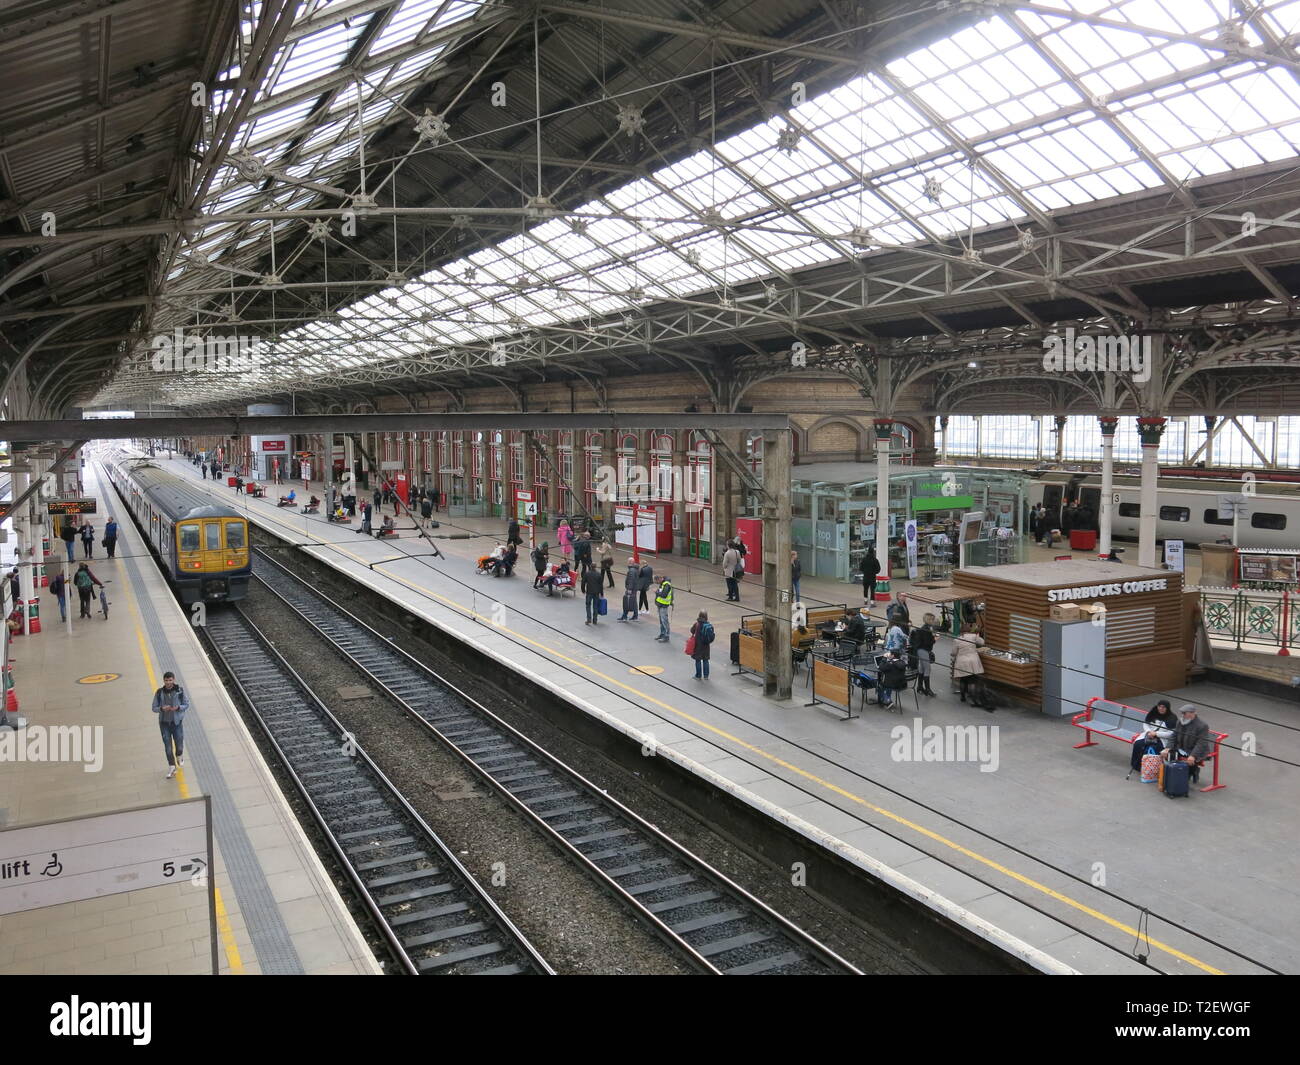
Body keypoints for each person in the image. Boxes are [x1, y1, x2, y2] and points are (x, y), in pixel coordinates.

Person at [152, 671, 190, 780]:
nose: (168, 682)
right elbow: (154, 707)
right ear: (164, 681)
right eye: (166, 680)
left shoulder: (180, 691)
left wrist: (178, 708)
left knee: (179, 745)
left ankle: (179, 755)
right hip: (164, 724)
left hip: (176, 723)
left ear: (173, 680)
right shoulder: (159, 693)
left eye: (170, 680)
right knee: (168, 747)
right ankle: (172, 767)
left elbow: (186, 704)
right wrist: (161, 709)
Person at [1164, 705, 1213, 782]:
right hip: (1181, 747)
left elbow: (1201, 743)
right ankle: (1174, 775)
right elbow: (1174, 735)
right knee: (1168, 755)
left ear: (1192, 713)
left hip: (1195, 750)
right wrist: (1167, 748)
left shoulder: (1202, 725)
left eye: (1184, 713)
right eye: (1182, 713)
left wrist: (1193, 756)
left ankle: (1193, 770)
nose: (1182, 715)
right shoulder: (1180, 722)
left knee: (1188, 763)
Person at [951, 628, 987, 706]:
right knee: (972, 681)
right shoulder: (973, 636)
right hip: (972, 661)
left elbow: (953, 653)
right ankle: (973, 700)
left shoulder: (956, 639)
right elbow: (982, 642)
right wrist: (978, 636)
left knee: (963, 679)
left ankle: (963, 697)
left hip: (962, 662)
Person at [910, 621, 936, 696]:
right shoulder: (926, 629)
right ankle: (927, 689)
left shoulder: (924, 628)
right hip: (923, 650)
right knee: (927, 668)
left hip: (920, 649)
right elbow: (928, 642)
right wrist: (934, 639)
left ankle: (920, 687)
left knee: (922, 668)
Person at [690, 611, 714, 679]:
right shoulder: (709, 625)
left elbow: (691, 631)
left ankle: (698, 675)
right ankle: (706, 675)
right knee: (705, 660)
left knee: (698, 660)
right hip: (706, 646)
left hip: (698, 646)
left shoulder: (697, 624)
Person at [582, 561, 605, 625]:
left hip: (589, 592)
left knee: (588, 605)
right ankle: (595, 620)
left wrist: (583, 590)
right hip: (596, 593)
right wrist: (602, 593)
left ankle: (589, 619)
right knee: (595, 606)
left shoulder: (587, 573)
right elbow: (601, 585)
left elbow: (583, 582)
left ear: (590, 567)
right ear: (596, 567)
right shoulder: (598, 574)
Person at [654, 575, 673, 642]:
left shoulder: (666, 585)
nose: (657, 583)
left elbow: (664, 595)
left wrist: (657, 592)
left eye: (657, 582)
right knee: (661, 621)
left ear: (659, 579)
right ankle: (662, 634)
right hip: (660, 604)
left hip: (664, 605)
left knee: (664, 620)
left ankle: (666, 635)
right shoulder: (662, 584)